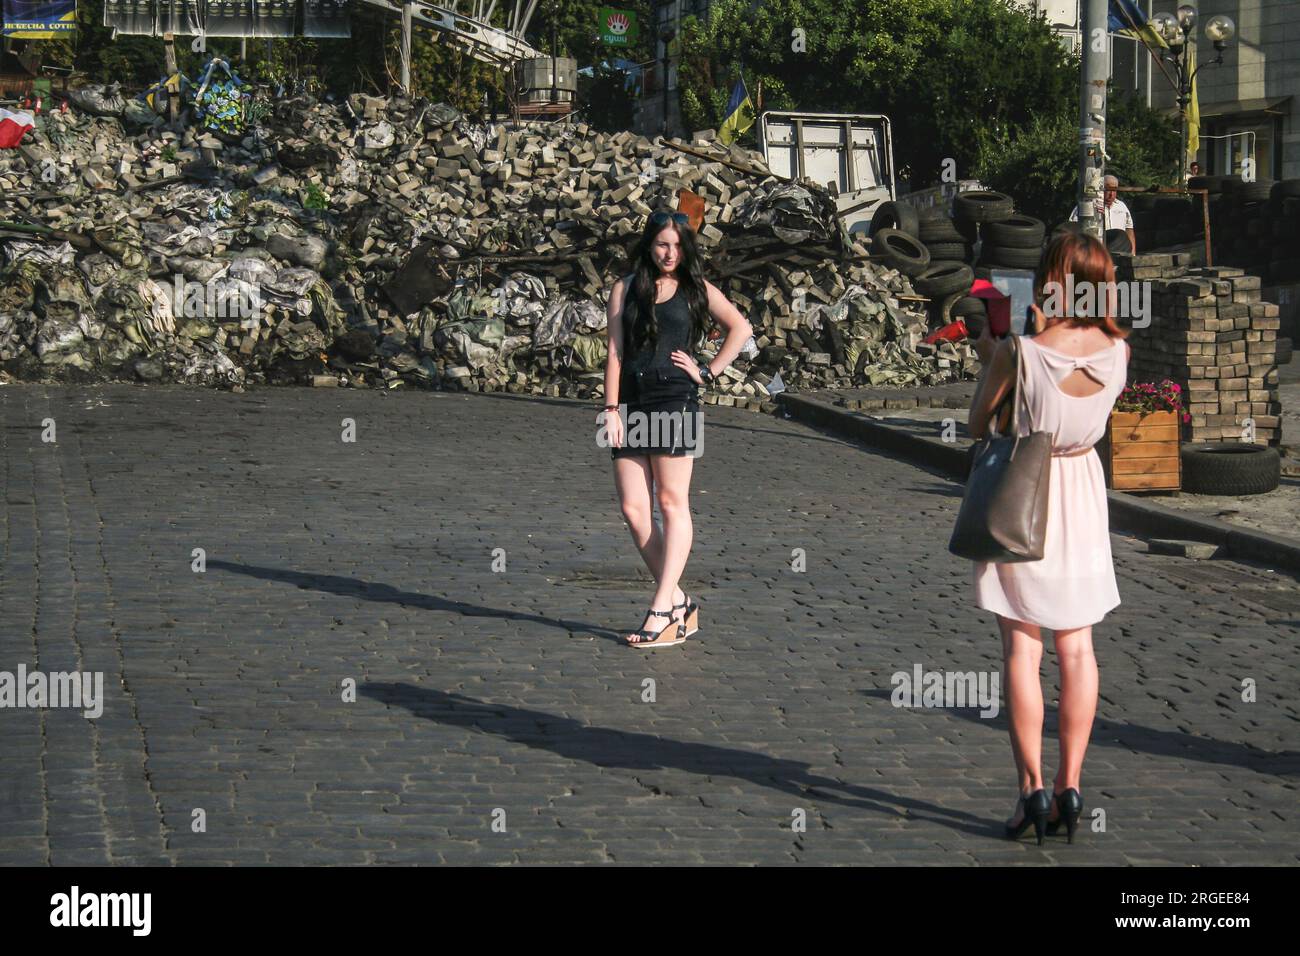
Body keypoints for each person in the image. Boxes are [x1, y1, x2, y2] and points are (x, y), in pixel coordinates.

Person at [966, 231, 1131, 844]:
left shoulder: (1023, 352)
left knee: (1023, 651)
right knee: (1078, 649)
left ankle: (1030, 789)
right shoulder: (1119, 352)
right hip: (1084, 497)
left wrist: (998, 355)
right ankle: (1072, 783)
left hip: (1027, 496)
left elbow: (980, 423)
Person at [602, 210, 753, 648]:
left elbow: (740, 327)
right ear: (650, 245)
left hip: (674, 401)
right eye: (662, 244)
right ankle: (680, 601)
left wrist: (708, 370)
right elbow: (614, 351)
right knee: (633, 509)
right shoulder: (625, 288)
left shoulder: (695, 289)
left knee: (671, 502)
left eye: (677, 245)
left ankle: (661, 608)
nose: (670, 253)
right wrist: (610, 408)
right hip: (630, 402)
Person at [1069, 174, 1135, 254]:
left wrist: (1133, 254)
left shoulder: (1122, 207)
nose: (1111, 194)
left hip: (1120, 253)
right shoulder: (1088, 206)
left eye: (1114, 190)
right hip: (1094, 252)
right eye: (1108, 190)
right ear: (1100, 189)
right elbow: (1072, 228)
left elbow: (1129, 230)